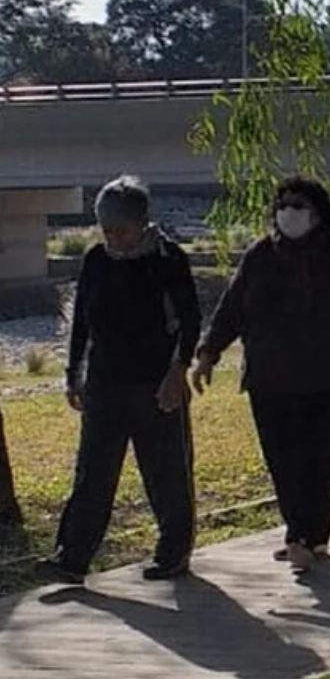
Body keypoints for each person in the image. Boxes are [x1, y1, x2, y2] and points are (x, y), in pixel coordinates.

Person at [192, 176, 330, 574]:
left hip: (329, 379)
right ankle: (297, 535)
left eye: (299, 205)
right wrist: (208, 353)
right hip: (271, 379)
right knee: (283, 459)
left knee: (322, 458)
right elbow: (232, 309)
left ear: (317, 213)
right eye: (284, 205)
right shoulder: (260, 256)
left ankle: (312, 537)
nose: (289, 212)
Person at [36, 175, 200, 585]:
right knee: (93, 472)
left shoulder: (167, 259)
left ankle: (173, 553)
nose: (113, 239)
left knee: (166, 473)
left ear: (141, 224)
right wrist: (74, 373)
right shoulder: (96, 260)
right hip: (105, 382)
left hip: (157, 382)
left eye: (121, 231)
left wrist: (177, 372)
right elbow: (83, 324)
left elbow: (190, 321)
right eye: (106, 230)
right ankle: (71, 557)